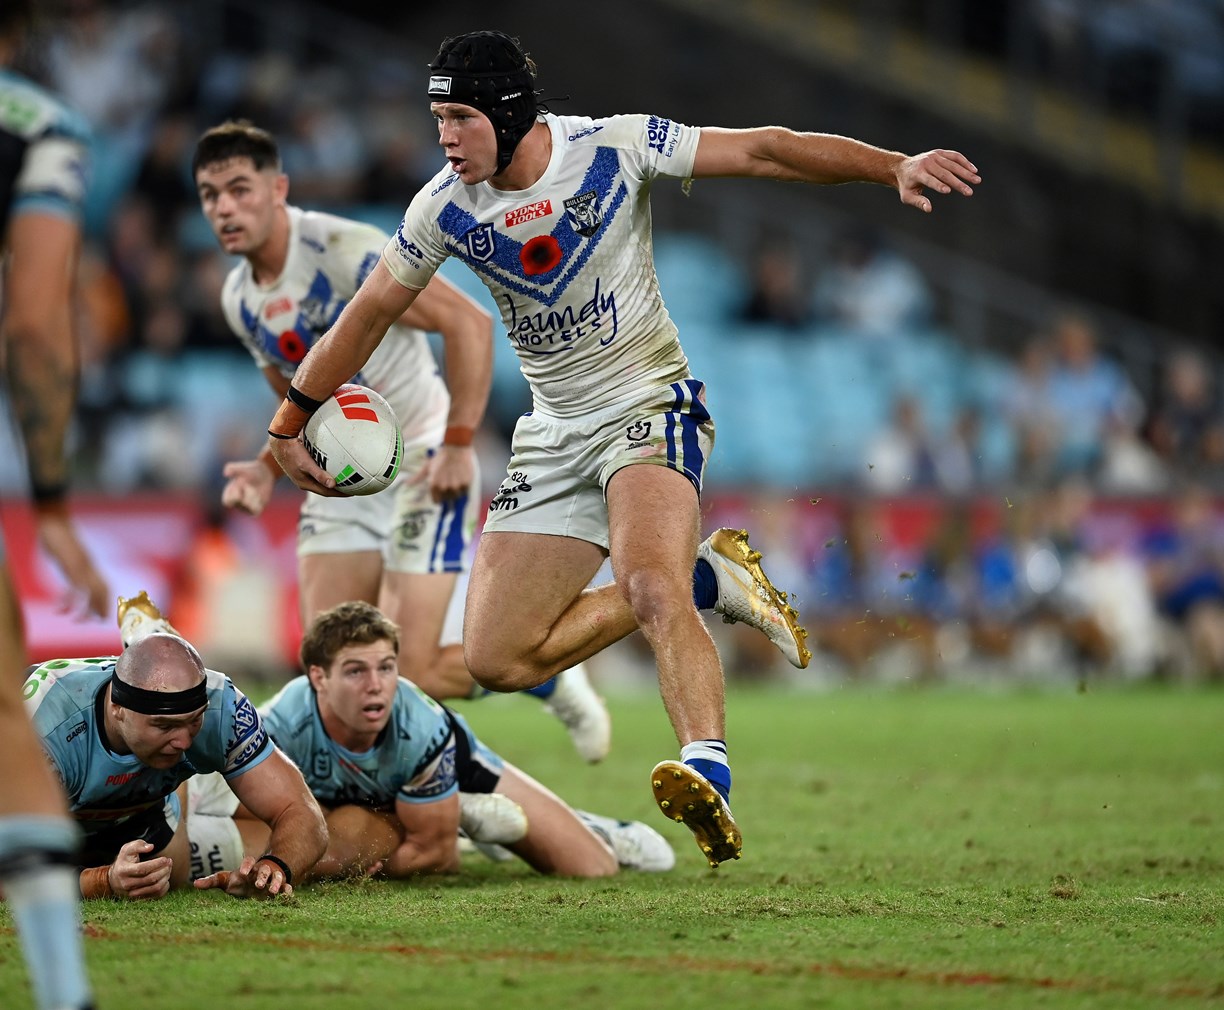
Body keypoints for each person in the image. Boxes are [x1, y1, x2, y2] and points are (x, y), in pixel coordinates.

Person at [264, 30, 978, 865]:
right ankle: (712, 575)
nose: (444, 136)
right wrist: (288, 421)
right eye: (437, 119)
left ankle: (706, 765)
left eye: (458, 116)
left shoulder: (616, 144)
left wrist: (888, 164)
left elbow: (765, 152)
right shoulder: (444, 207)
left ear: (505, 110)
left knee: (647, 582)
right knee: (497, 657)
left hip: (648, 403)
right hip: (555, 432)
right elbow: (368, 314)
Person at [191, 120, 611, 763]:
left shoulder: (342, 250)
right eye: (210, 195)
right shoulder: (237, 298)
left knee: (405, 668)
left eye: (239, 189)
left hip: (420, 462)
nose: (224, 207)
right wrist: (261, 468)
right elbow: (294, 402)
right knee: (331, 670)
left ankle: (547, 681)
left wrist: (458, 444)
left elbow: (467, 324)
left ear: (278, 189)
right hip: (339, 480)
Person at [192, 600, 674, 882]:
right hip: (357, 796)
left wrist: (365, 849)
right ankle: (448, 812)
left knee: (593, 868)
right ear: (318, 677)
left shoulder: (420, 727)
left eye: (386, 669)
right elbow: (246, 807)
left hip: (454, 773)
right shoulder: (284, 722)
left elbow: (435, 855)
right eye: (356, 671)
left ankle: (499, 818)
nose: (377, 685)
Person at [0, 3, 107, 1007]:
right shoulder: (35, 123)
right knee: (3, 713)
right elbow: (35, 325)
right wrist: (53, 497)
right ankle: (65, 997)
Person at [23, 625, 328, 902]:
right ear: (117, 708)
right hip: (51, 821)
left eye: (194, 722)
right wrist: (101, 880)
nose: (183, 742)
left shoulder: (222, 707)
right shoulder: (42, 727)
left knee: (334, 844)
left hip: (144, 810)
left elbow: (301, 811)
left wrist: (274, 870)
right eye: (164, 726)